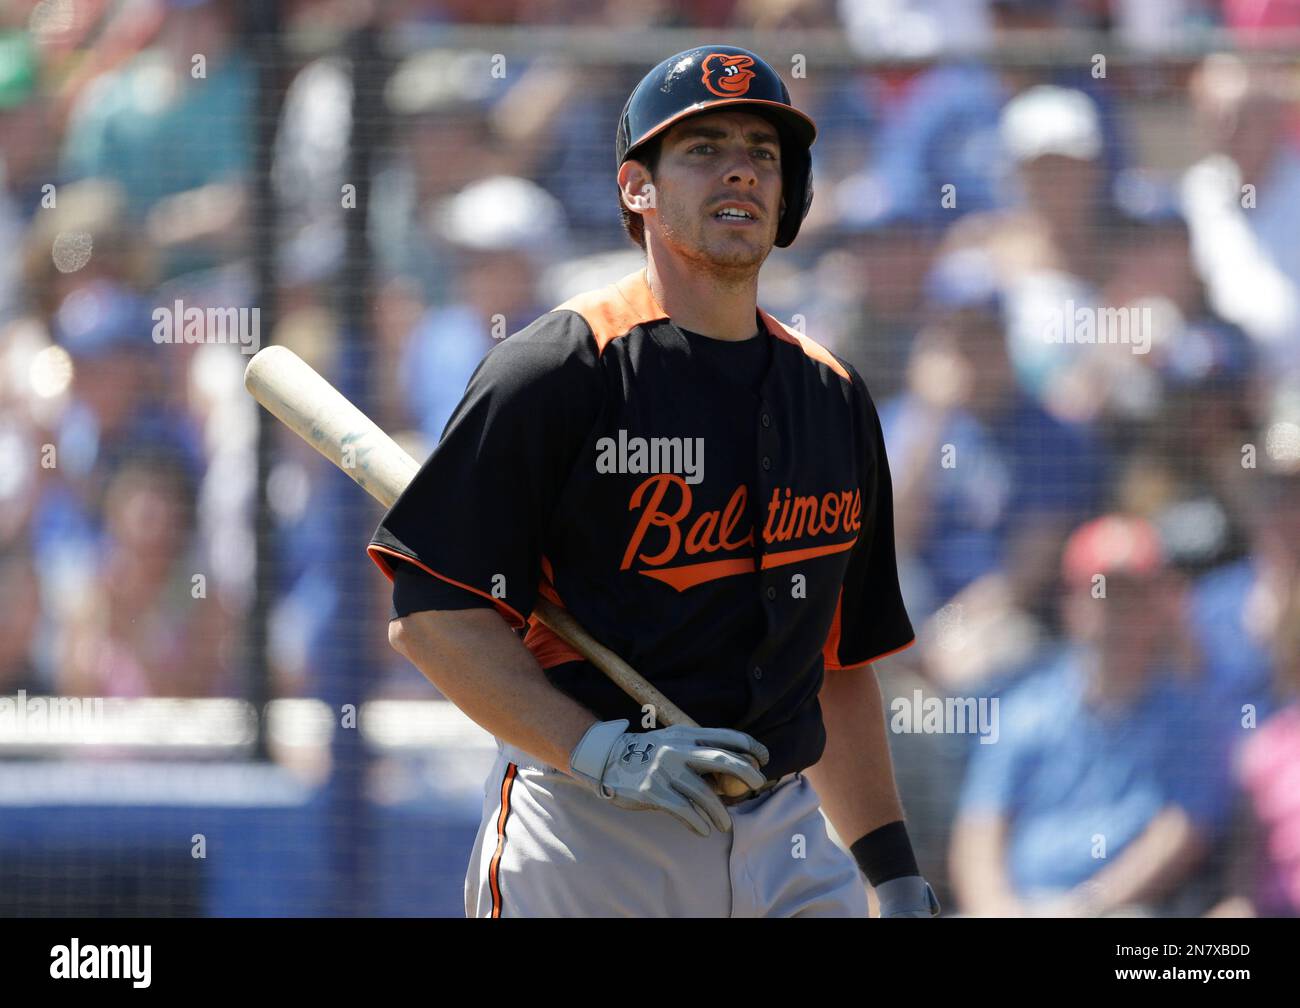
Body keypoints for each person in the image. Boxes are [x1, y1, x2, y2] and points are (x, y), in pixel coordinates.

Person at [368, 45, 937, 918]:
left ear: (791, 197)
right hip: (594, 829)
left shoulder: (832, 395)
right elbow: (433, 616)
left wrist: (890, 869)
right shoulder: (559, 369)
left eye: (762, 153)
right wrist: (598, 749)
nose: (740, 171)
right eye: (704, 150)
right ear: (638, 187)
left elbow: (838, 662)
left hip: (788, 832)